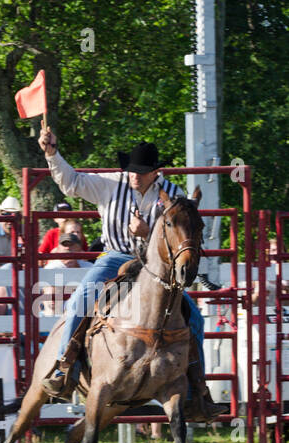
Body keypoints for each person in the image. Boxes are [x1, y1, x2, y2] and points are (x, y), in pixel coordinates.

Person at [36, 129, 218, 419]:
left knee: (193, 317)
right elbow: (71, 182)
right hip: (114, 257)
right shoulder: (110, 184)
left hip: (157, 268)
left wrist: (146, 235)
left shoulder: (174, 195)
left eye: (142, 172)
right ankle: (65, 365)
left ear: (155, 173)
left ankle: (198, 390)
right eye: (132, 170)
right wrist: (51, 153)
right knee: (81, 299)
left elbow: (180, 237)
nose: (134, 175)